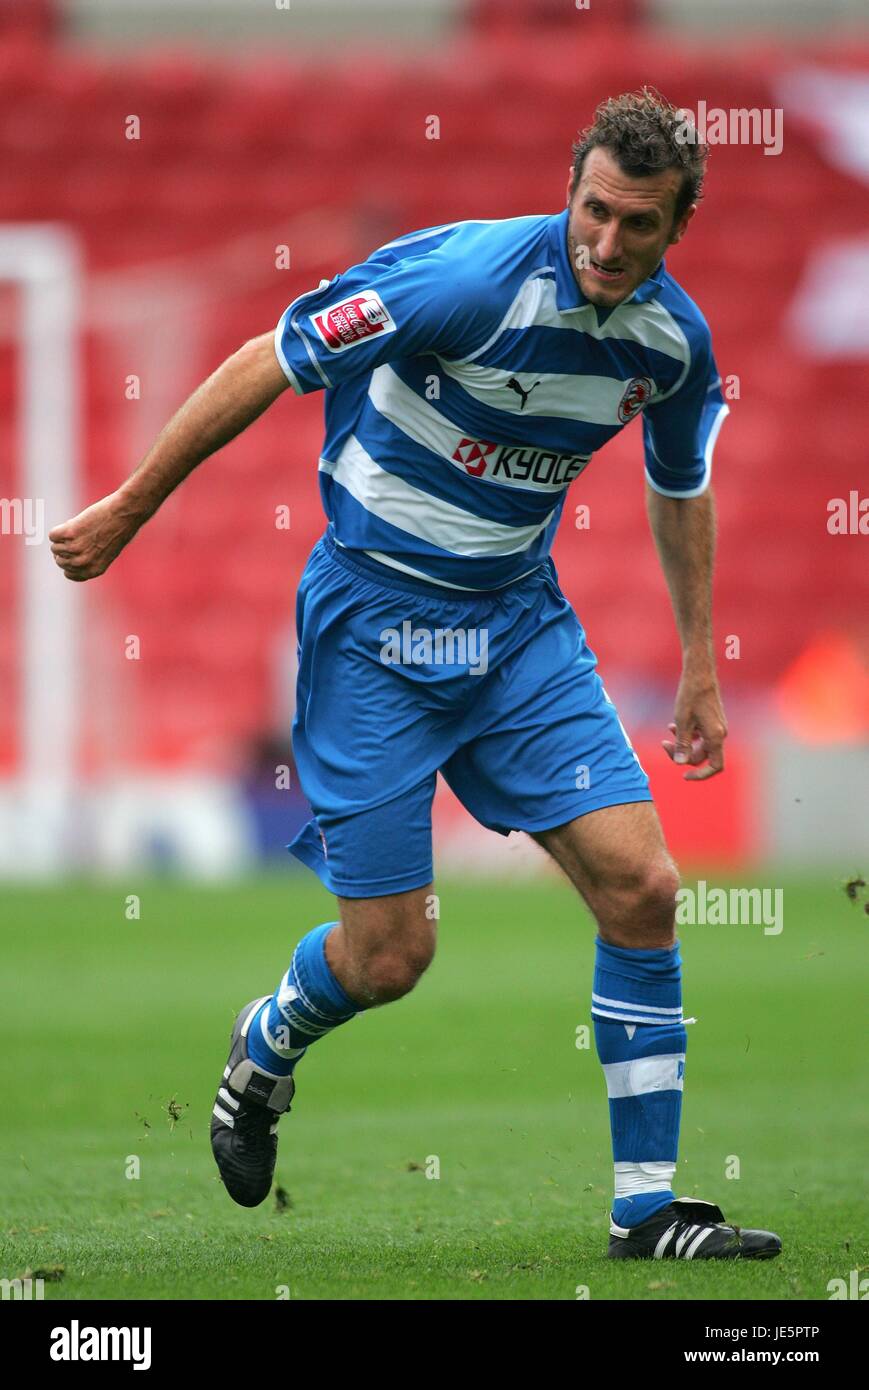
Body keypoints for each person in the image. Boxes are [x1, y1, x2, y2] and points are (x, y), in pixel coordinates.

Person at [50, 88, 780, 1260]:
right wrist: (131, 507)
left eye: (635, 225)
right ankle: (270, 1041)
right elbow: (266, 356)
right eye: (591, 211)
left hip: (516, 631)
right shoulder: (462, 284)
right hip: (374, 629)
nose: (603, 243)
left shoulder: (671, 344)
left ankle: (644, 1210)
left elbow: (678, 479)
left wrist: (699, 664)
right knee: (391, 957)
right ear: (569, 193)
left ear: (674, 227)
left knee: (642, 887)